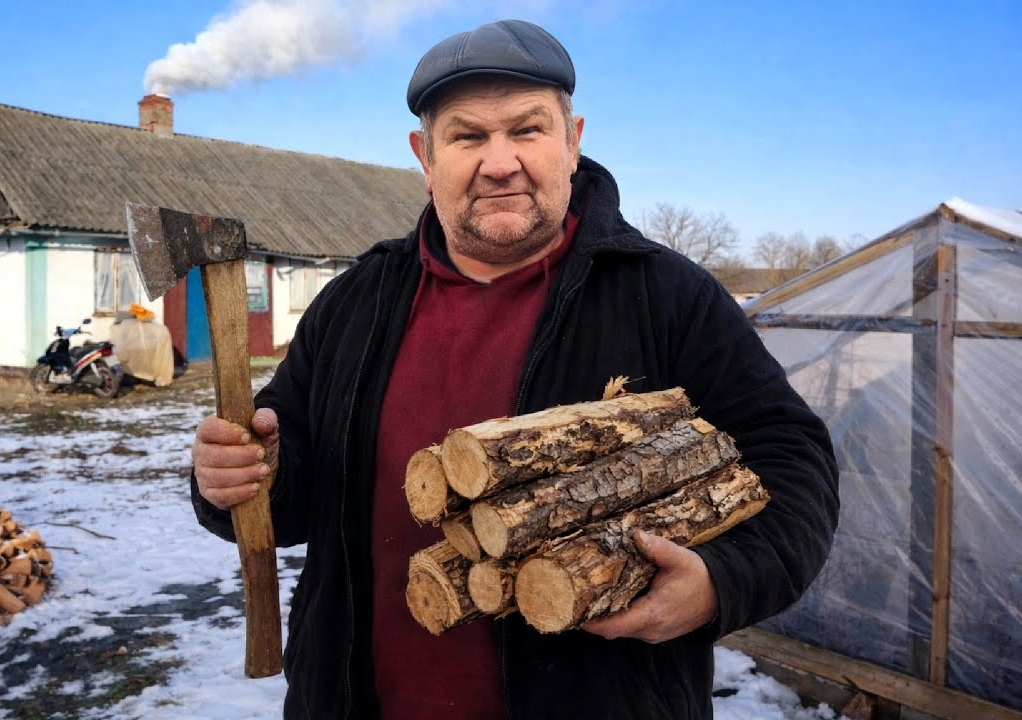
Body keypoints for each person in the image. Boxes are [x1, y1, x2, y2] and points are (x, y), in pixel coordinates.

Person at [190, 18, 839, 720]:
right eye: (468, 136)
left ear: (572, 140)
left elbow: (790, 458)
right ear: (425, 155)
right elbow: (289, 489)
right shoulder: (356, 302)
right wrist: (236, 480)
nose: (499, 162)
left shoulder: (665, 296)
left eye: (526, 130)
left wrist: (720, 581)